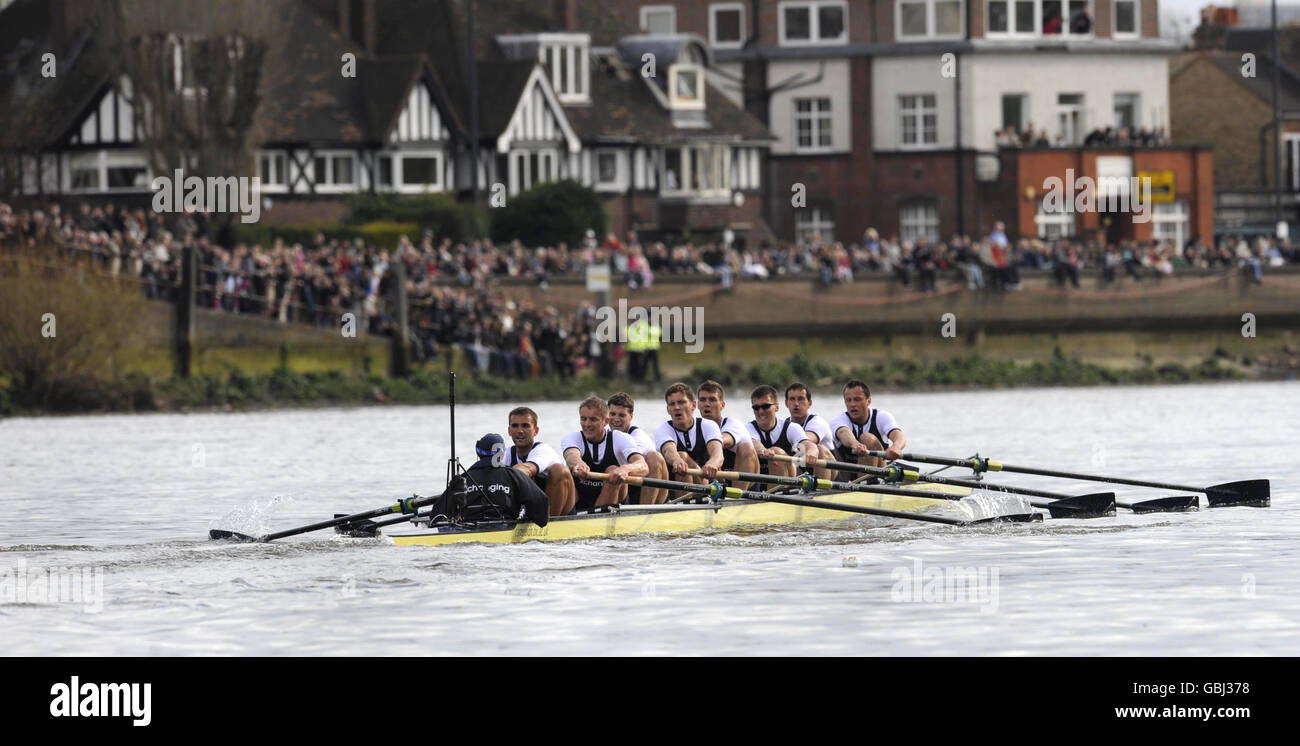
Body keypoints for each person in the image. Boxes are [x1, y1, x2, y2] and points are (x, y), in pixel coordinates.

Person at [562, 396, 649, 513]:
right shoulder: (572, 437)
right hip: (581, 499)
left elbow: (643, 466)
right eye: (583, 419)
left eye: (593, 420)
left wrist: (625, 469)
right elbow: (571, 455)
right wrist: (579, 464)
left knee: (613, 469)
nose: (587, 424)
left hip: (614, 498)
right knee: (561, 472)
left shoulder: (620, 438)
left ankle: (597, 519)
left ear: (606, 421)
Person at [441, 433, 550, 526]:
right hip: (505, 528)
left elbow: (437, 514)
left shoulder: (463, 477)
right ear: (502, 454)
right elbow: (542, 503)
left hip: (467, 527)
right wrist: (530, 519)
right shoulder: (514, 475)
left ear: (478, 453)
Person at [654, 382, 724, 497]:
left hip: (706, 486)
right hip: (674, 492)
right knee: (682, 456)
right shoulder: (663, 429)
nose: (677, 407)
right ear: (668, 409)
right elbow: (668, 450)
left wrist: (713, 463)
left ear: (693, 405)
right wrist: (677, 460)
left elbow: (718, 454)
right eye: (672, 404)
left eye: (681, 402)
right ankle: (684, 506)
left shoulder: (708, 425)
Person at [505, 406, 575, 516]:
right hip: (535, 511)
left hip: (561, 512)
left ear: (535, 431)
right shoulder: (507, 453)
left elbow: (527, 469)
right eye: (515, 426)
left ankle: (549, 523)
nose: (520, 431)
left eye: (525, 426)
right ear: (509, 431)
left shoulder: (543, 450)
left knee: (559, 470)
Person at [829, 379, 907, 476]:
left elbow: (898, 434)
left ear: (868, 401)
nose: (852, 404)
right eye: (848, 400)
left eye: (857, 399)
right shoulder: (838, 420)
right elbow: (843, 433)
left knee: (867, 438)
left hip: (879, 473)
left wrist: (896, 447)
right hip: (847, 477)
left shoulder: (882, 416)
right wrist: (855, 444)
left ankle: (868, 482)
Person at [607, 392, 669, 505]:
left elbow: (636, 465)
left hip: (648, 490)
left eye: (621, 415)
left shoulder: (639, 437)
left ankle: (646, 510)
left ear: (631, 416)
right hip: (624, 487)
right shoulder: (603, 436)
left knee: (654, 457)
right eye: (612, 414)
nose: (616, 419)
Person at [696, 380, 759, 490]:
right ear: (697, 405)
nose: (707, 404)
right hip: (715, 485)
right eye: (703, 400)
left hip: (745, 487)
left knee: (746, 448)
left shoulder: (733, 424)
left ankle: (736, 500)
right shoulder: (693, 428)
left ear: (722, 405)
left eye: (712, 399)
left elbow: (723, 440)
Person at [747, 385, 818, 479]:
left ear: (776, 407)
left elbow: (807, 444)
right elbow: (753, 441)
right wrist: (763, 450)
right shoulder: (749, 428)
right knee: (775, 452)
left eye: (765, 406)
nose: (761, 411)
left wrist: (812, 452)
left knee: (776, 452)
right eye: (756, 407)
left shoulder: (791, 428)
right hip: (760, 485)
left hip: (789, 481)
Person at [783, 382, 835, 478]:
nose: (796, 404)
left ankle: (822, 491)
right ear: (786, 403)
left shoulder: (818, 422)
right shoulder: (784, 425)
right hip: (801, 471)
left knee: (818, 449)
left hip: (832, 474)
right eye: (792, 399)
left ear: (809, 403)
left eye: (801, 399)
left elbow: (805, 440)